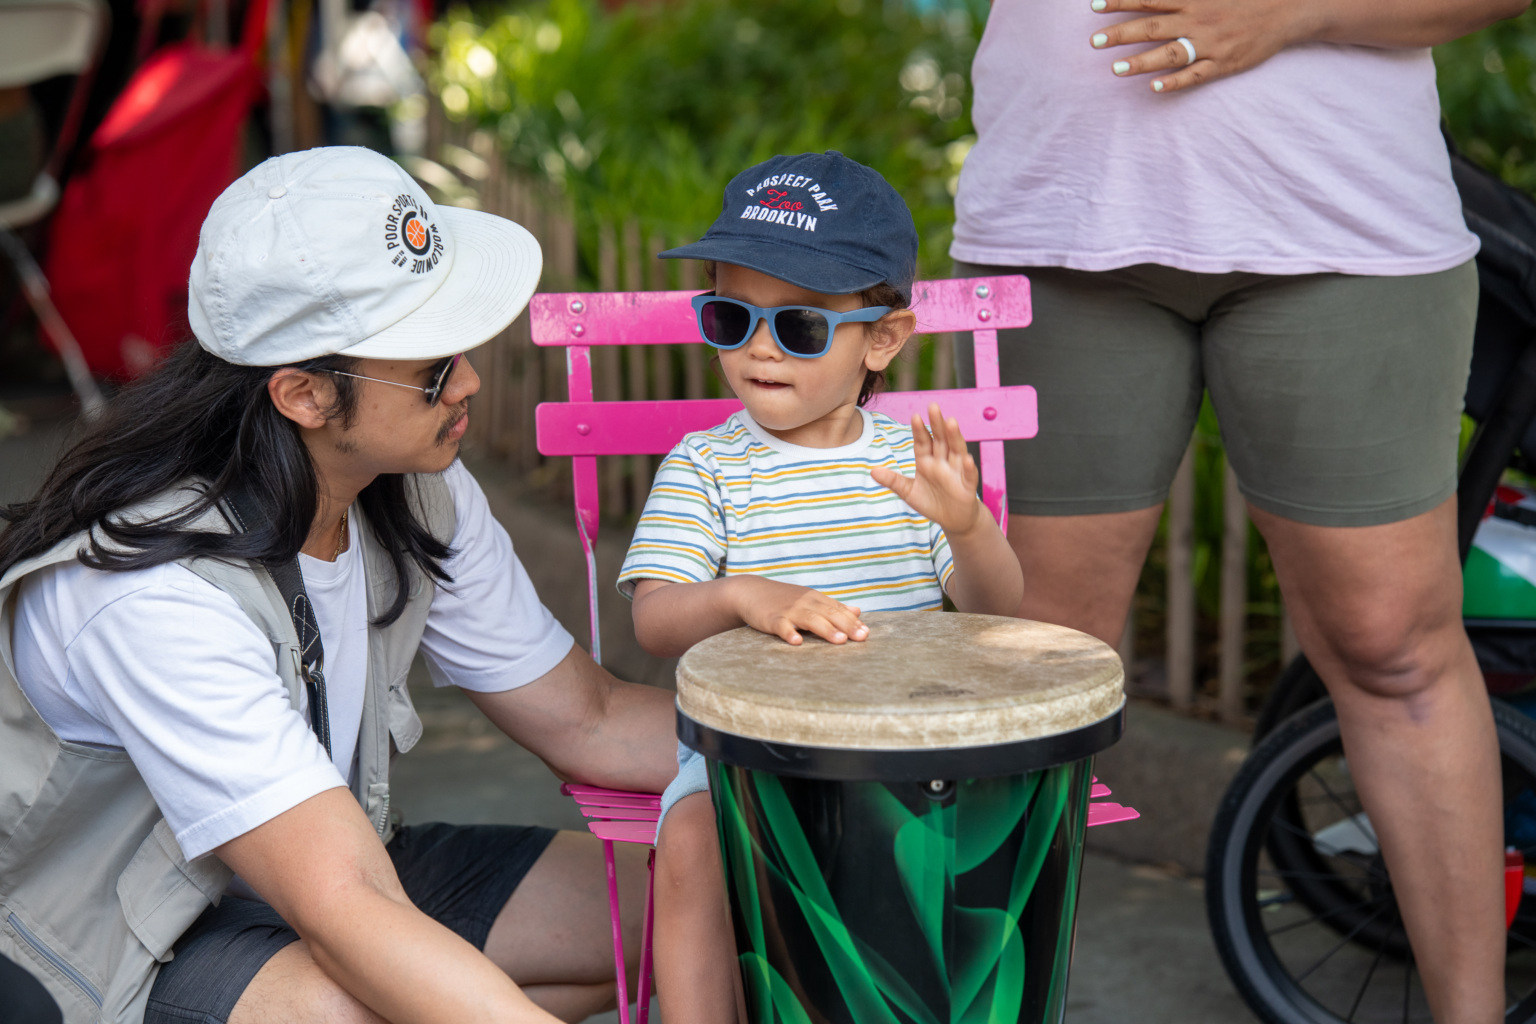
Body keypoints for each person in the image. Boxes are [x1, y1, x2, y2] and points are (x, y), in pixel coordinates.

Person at [0, 146, 680, 1024]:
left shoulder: (410, 482)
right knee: (370, 1006)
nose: (467, 380)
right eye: (431, 368)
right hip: (124, 947)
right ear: (303, 396)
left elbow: (589, 719)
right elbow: (348, 906)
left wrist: (844, 748)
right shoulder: (153, 594)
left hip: (324, 871)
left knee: (695, 911)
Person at [949, 2, 1530, 1021]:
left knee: (1392, 647)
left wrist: (1296, 13)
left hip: (1344, 230)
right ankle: (975, 1007)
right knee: (1022, 663)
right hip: (1058, 216)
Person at [615, 151, 1025, 1024]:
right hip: (746, 751)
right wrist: (740, 596)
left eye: (799, 327)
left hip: (909, 754)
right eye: (731, 317)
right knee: (687, 841)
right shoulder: (707, 466)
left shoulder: (909, 467)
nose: (759, 348)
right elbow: (654, 619)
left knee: (968, 856)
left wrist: (967, 524)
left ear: (882, 340)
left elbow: (998, 616)